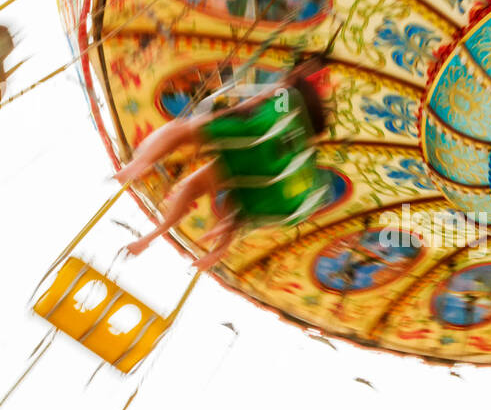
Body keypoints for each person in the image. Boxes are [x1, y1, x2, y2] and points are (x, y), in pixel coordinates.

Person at [115, 55, 332, 269]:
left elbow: (259, 104)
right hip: (276, 167)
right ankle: (215, 248)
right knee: (230, 198)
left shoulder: (290, 89)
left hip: (260, 132)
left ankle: (138, 166)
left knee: (180, 131)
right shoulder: (315, 114)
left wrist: (218, 120)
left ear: (299, 69)